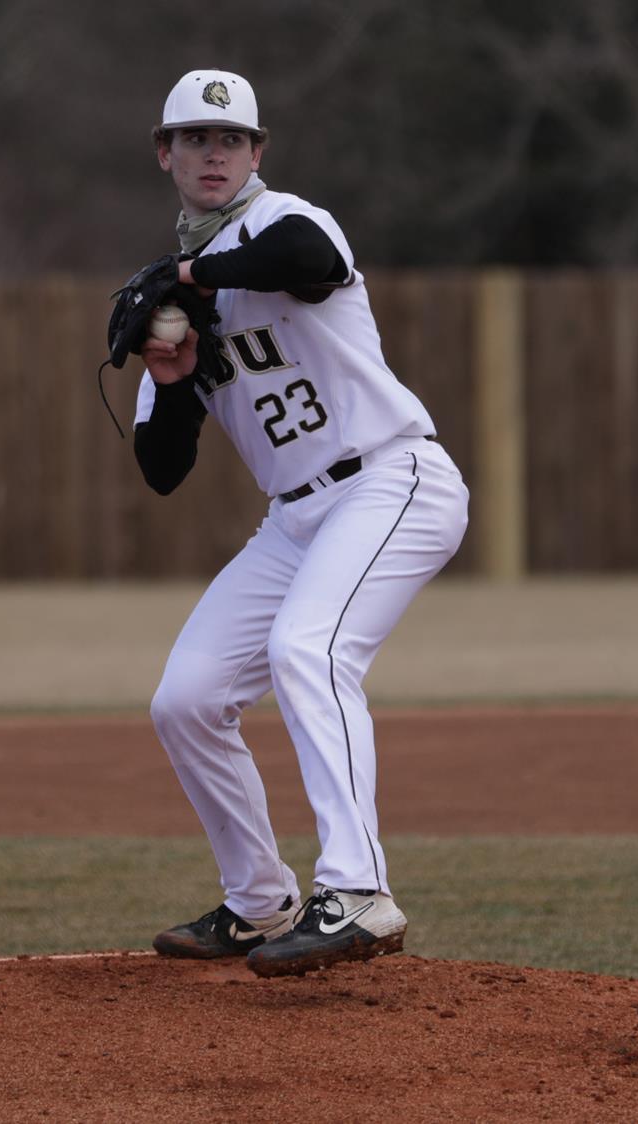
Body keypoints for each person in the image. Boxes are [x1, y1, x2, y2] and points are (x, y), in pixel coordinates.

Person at [131, 69, 470, 977]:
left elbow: (305, 266)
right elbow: (163, 470)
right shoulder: (179, 300)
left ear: (257, 152)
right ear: (165, 152)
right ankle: (259, 900)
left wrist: (190, 272)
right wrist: (169, 382)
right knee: (188, 700)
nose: (214, 154)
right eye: (196, 139)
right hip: (296, 519)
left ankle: (359, 891)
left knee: (308, 651)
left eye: (231, 139)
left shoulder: (286, 222)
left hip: (391, 479)